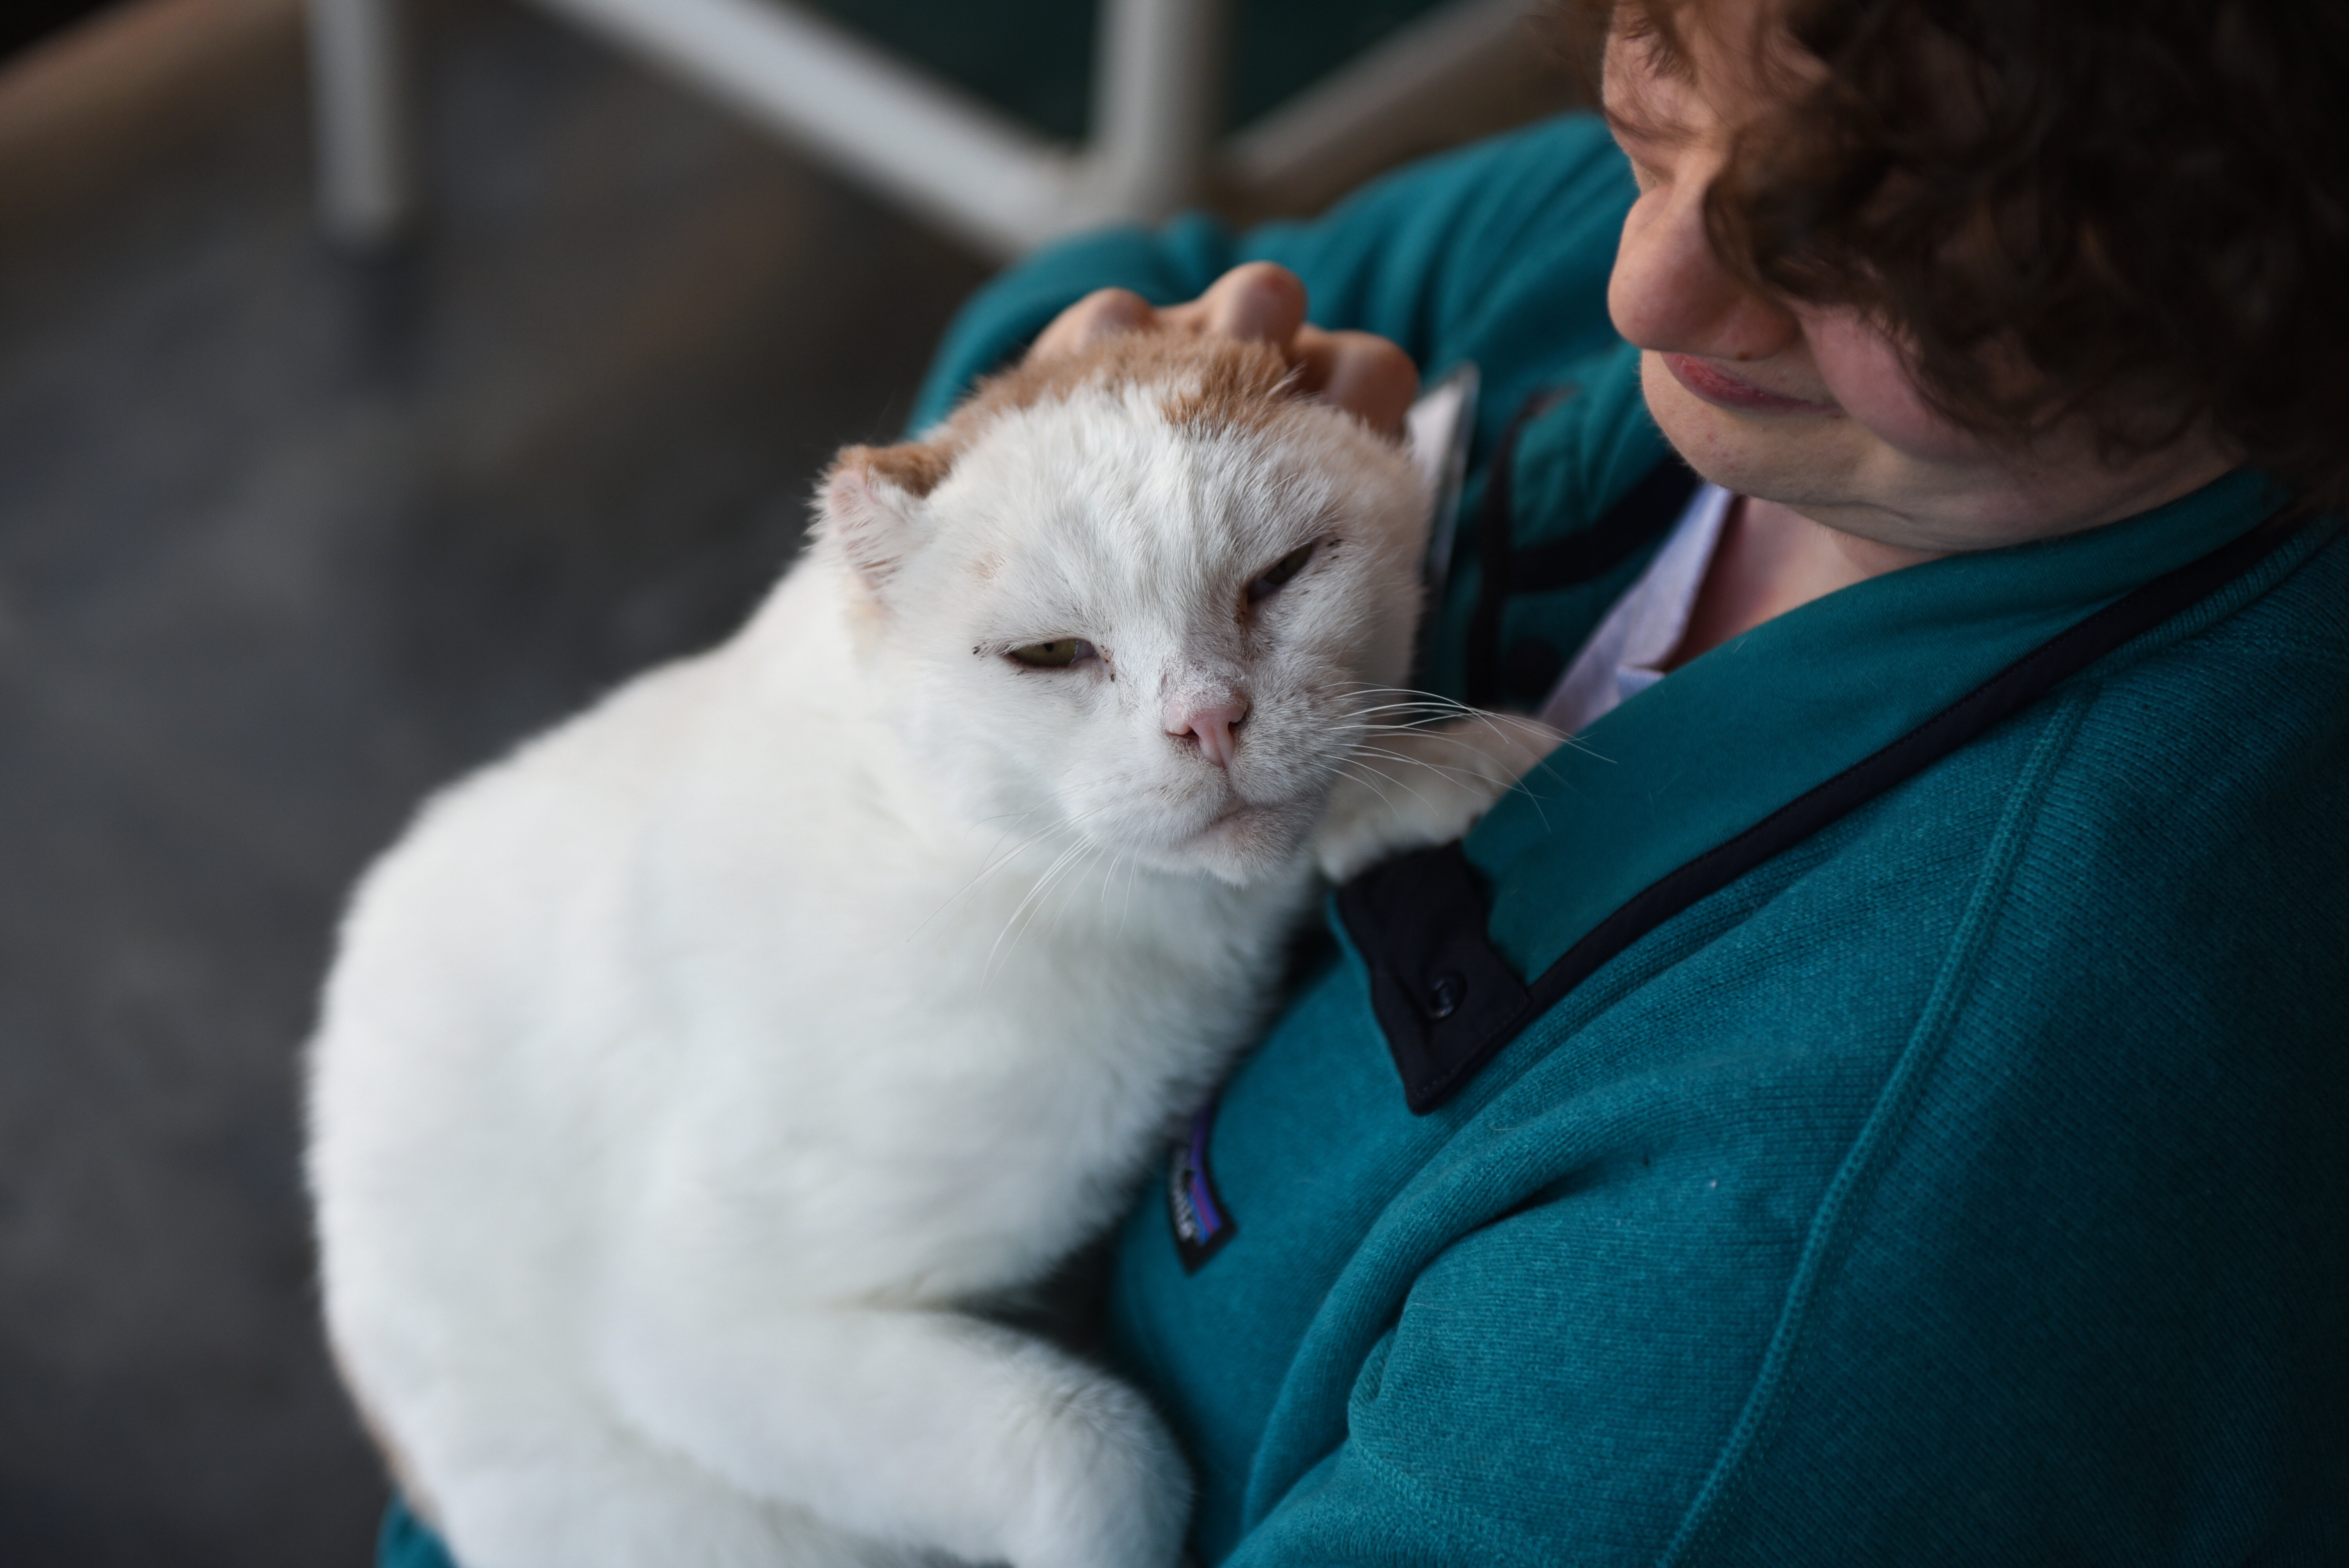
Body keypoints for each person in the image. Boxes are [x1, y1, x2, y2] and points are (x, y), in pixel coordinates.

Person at [382, 0, 2348, 1560]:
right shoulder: (1722, 191)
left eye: (1851, 242)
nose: (1649, 286)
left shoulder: (1798, 1282)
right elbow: (1154, 283)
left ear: (2243, 251)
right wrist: (1036, 451)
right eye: (1656, 82)